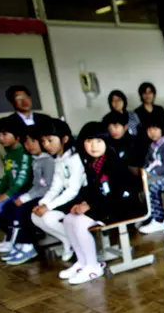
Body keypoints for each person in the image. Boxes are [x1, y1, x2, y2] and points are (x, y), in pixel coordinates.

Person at [58, 122, 144, 285]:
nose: (93, 146)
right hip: (104, 205)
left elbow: (117, 194)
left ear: (106, 142)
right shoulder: (91, 163)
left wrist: (90, 206)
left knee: (81, 223)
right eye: (89, 141)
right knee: (69, 220)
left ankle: (93, 266)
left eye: (98, 141)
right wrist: (84, 203)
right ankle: (82, 262)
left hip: (121, 206)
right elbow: (93, 191)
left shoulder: (114, 163)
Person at [31, 117, 85, 262]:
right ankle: (69, 242)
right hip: (67, 198)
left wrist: (48, 207)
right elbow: (55, 187)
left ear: (64, 138)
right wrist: (43, 203)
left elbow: (73, 190)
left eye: (50, 140)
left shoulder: (75, 158)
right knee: (36, 216)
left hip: (80, 199)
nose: (46, 145)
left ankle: (76, 243)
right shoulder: (58, 159)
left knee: (48, 217)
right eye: (43, 141)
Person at [1, 126, 55, 265]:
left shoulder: (47, 160)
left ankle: (28, 245)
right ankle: (17, 243)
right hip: (39, 193)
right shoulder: (36, 159)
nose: (29, 146)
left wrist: (26, 198)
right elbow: (36, 185)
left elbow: (47, 186)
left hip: (48, 196)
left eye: (33, 141)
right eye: (26, 142)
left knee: (24, 210)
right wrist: (25, 196)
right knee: (12, 207)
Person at [0, 117, 32, 256]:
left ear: (17, 135)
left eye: (5, 134)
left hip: (24, 191)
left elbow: (22, 178)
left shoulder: (24, 153)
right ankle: (9, 234)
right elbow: (7, 176)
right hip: (13, 190)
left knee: (3, 205)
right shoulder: (9, 153)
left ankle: (18, 238)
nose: (1, 138)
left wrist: (8, 194)